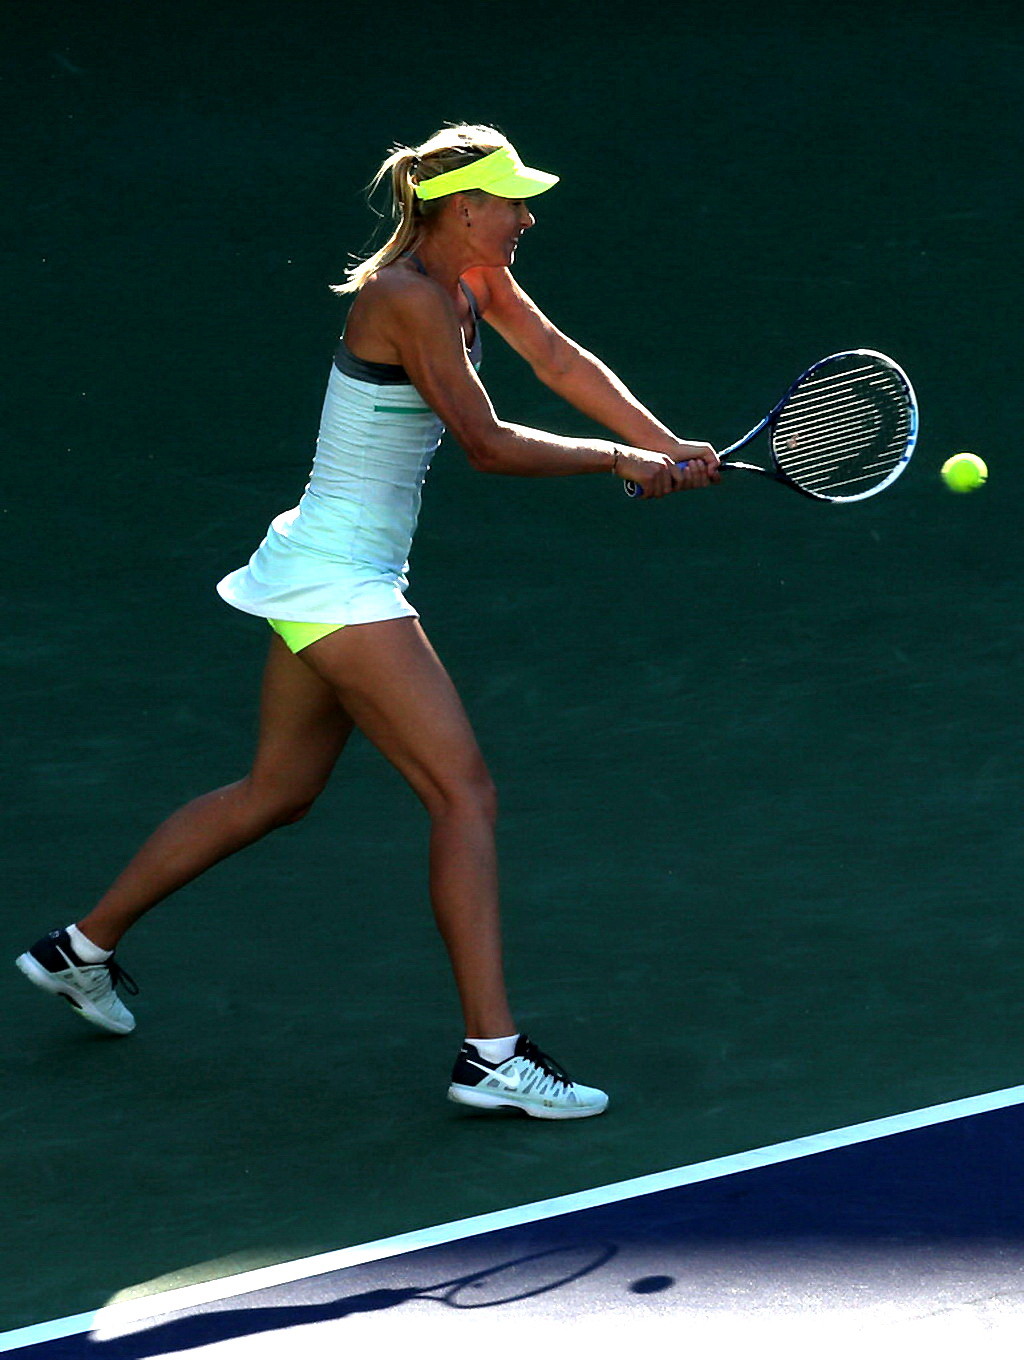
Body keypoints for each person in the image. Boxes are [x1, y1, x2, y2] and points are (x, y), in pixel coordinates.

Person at [16, 124, 719, 1120]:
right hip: (340, 583)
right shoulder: (407, 300)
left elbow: (557, 360)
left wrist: (663, 443)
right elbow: (483, 441)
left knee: (277, 790)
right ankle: (490, 1055)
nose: (526, 217)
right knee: (463, 794)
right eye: (510, 201)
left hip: (322, 569)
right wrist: (616, 463)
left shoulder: (469, 282)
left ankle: (77, 949)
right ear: (458, 207)